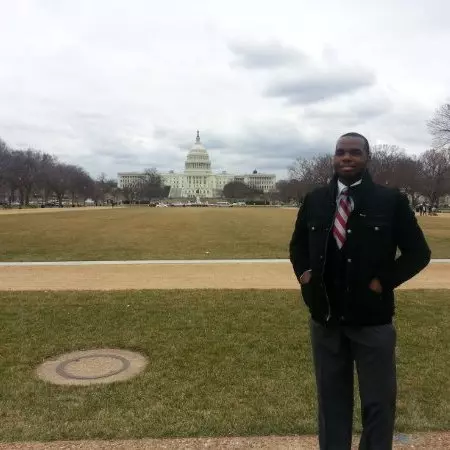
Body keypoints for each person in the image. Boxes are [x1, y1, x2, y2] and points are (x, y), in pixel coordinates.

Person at [289, 132, 431, 450]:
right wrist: (305, 276)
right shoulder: (315, 200)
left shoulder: (389, 200)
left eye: (355, 152)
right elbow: (298, 245)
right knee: (331, 403)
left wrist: (384, 281)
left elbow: (418, 253)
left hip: (372, 319)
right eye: (341, 152)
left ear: (367, 157)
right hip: (325, 319)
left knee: (378, 403)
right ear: (334, 157)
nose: (347, 157)